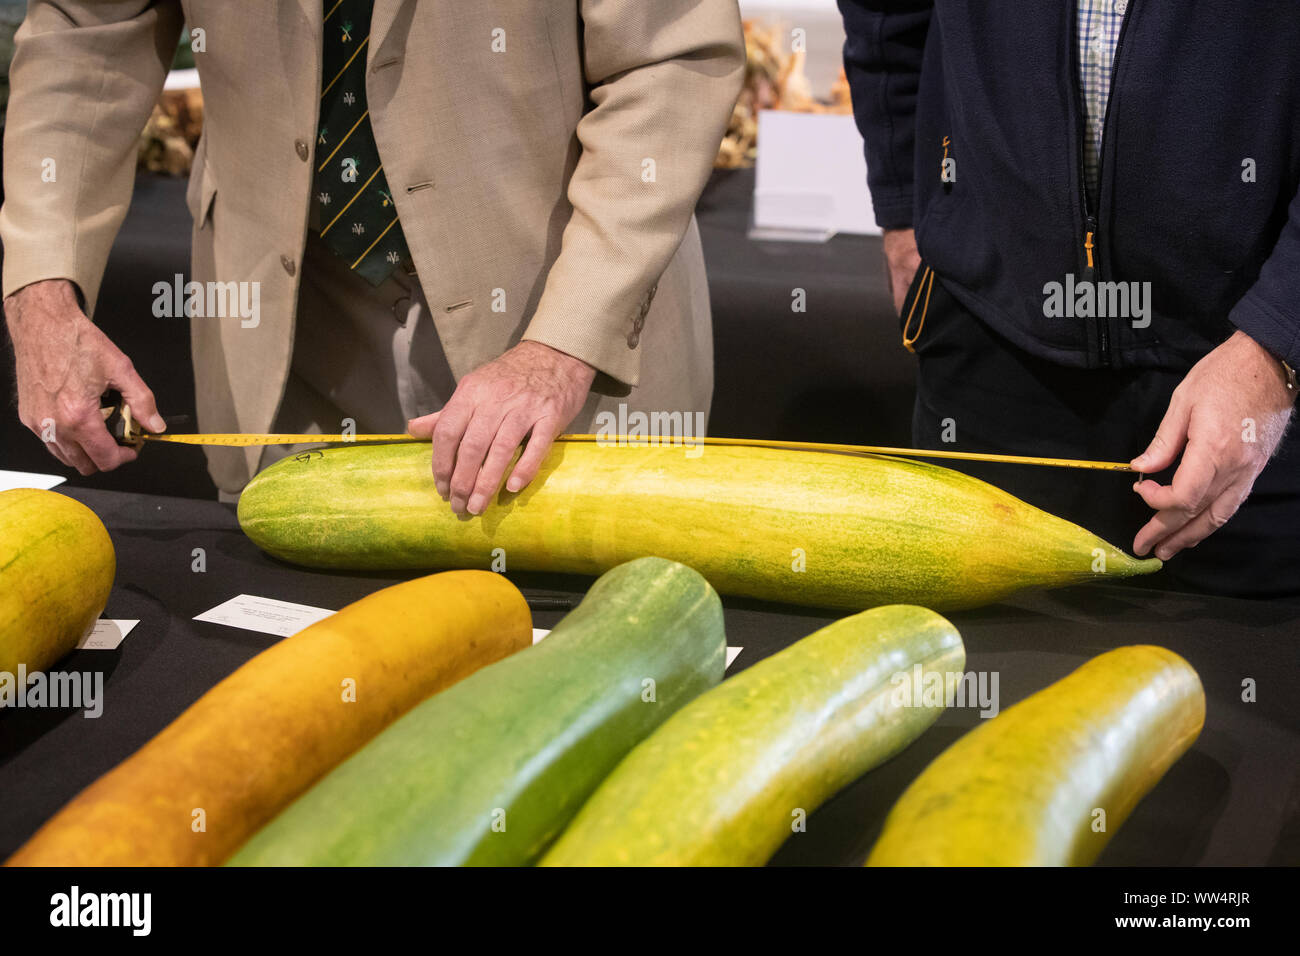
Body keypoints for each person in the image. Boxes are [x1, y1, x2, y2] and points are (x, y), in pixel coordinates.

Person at [2, 2, 744, 514]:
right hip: (287, 339)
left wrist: (561, 347)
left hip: (555, 309)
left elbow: (672, 59)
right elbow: (84, 31)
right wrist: (41, 290)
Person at [839, 0, 1300, 598]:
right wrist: (905, 206)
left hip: (1251, 374)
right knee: (978, 673)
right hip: (991, 342)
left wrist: (1279, 338)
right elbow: (882, 14)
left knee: (1238, 676)